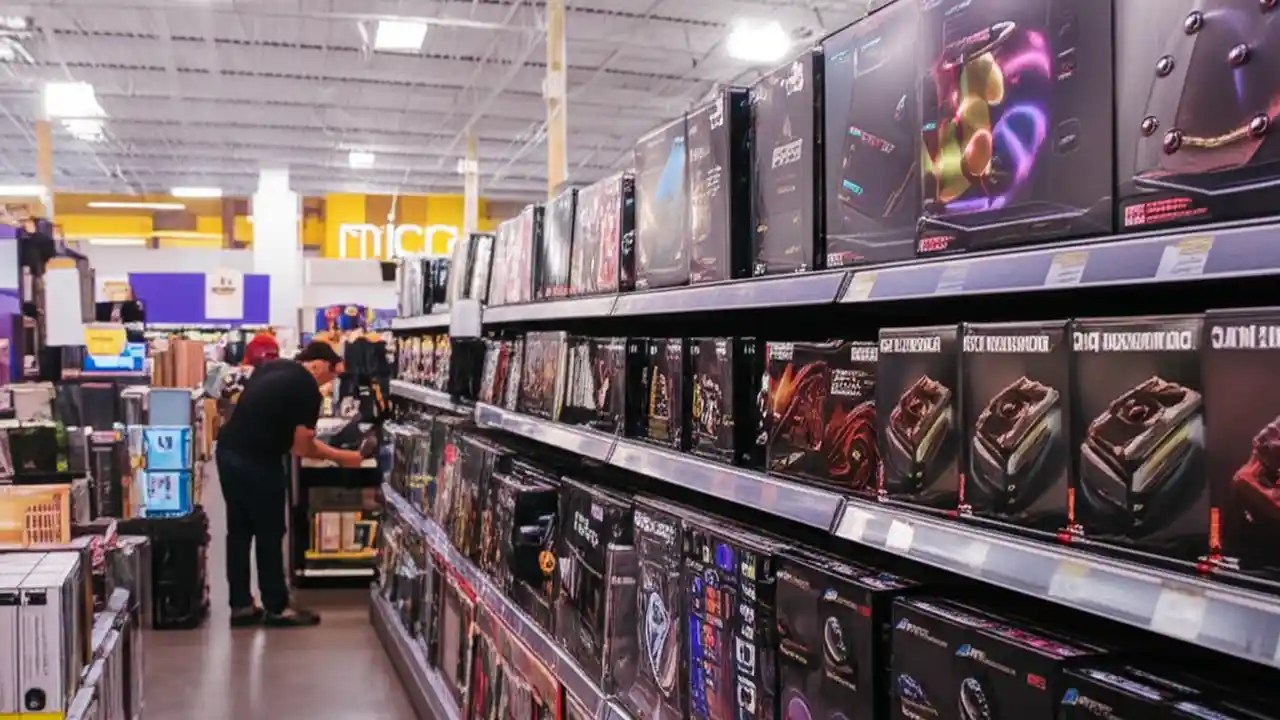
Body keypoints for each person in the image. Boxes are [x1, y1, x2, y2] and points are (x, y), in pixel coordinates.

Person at [215, 341, 375, 627]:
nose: (331, 382)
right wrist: (343, 457)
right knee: (270, 530)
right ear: (319, 365)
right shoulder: (306, 389)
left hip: (228, 451)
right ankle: (277, 607)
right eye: (332, 373)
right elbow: (303, 448)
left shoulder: (273, 367)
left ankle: (240, 605)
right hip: (258, 460)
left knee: (239, 532)